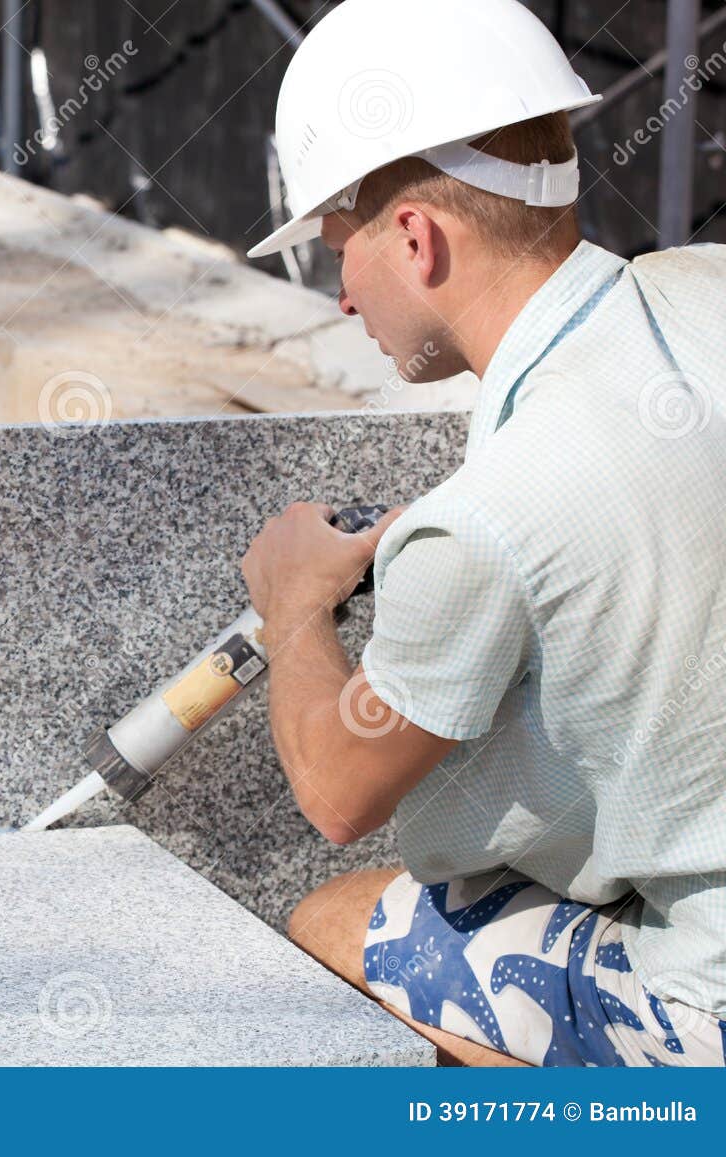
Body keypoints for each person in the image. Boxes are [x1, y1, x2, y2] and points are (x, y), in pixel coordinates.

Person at [238, 0, 726, 1067]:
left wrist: (292, 604)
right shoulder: (711, 287)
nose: (340, 298)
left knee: (334, 920)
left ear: (414, 238)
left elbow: (336, 786)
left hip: (714, 1014)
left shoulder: (480, 525)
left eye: (338, 251)